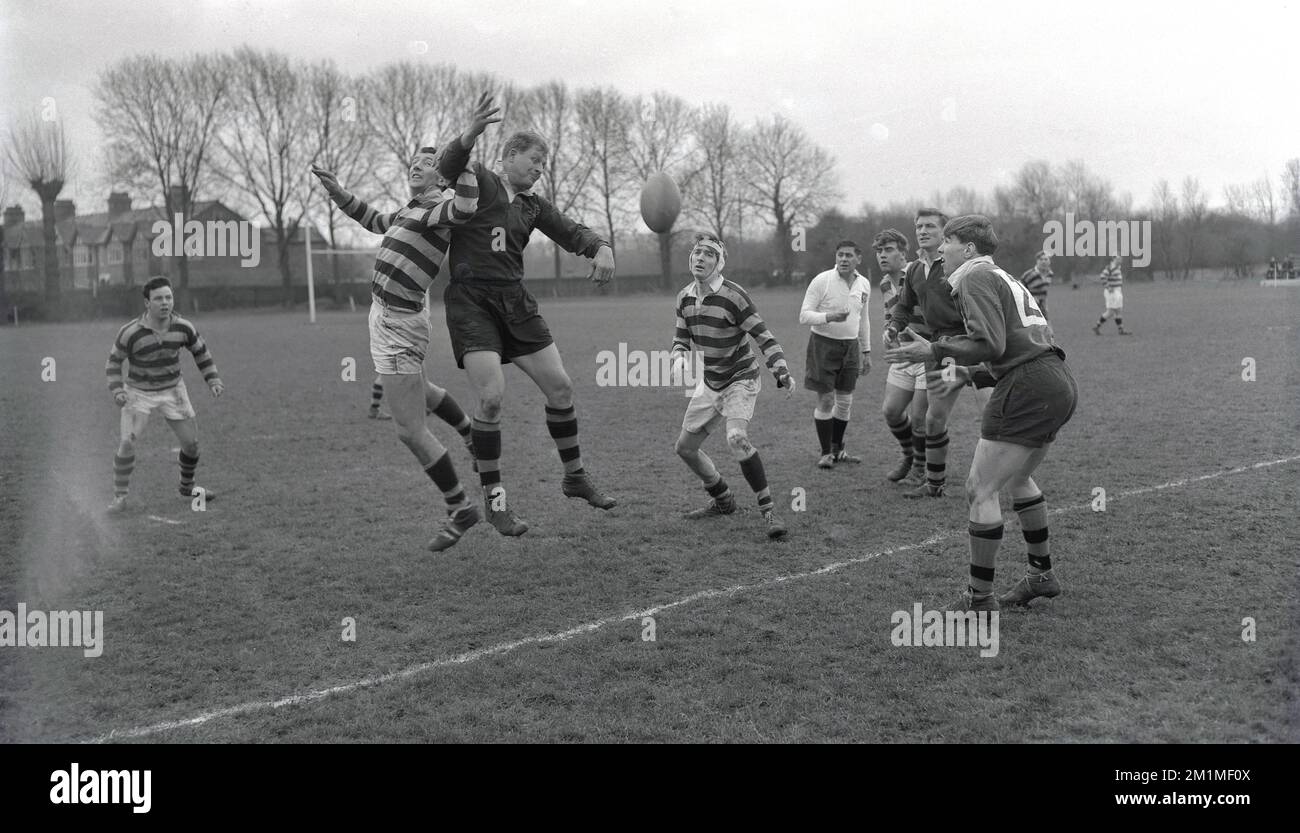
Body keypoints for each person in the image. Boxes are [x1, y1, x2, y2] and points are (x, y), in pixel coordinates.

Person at [310, 95, 499, 552]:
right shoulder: (408, 210)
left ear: (443, 175)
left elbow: (467, 206)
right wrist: (338, 194)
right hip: (385, 318)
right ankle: (472, 436)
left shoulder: (439, 209)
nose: (416, 165)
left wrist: (467, 143)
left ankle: (460, 508)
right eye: (413, 161)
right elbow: (372, 219)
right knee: (423, 389)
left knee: (408, 428)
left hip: (399, 324)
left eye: (427, 163)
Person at [436, 108, 617, 537]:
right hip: (471, 303)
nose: (539, 170)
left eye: (543, 165)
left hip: (516, 303)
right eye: (534, 161)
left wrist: (601, 246)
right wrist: (470, 133)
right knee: (492, 399)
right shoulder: (477, 179)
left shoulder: (533, 207)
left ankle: (574, 477)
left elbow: (571, 231)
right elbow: (448, 166)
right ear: (509, 155)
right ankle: (496, 504)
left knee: (561, 387)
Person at [884, 215, 1077, 611]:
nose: (940, 250)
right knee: (1019, 478)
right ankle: (1041, 575)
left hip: (1026, 385)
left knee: (979, 489)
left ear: (968, 249)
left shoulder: (974, 278)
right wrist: (969, 373)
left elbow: (989, 342)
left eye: (948, 243)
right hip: (1056, 379)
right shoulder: (1004, 277)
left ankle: (979, 598)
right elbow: (1019, 342)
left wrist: (935, 351)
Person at [672, 233, 794, 540]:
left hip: (741, 378)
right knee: (685, 448)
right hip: (711, 382)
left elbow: (764, 336)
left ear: (719, 263)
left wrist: (781, 370)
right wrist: (678, 358)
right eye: (697, 252)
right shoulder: (684, 297)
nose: (700, 258)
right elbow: (680, 338)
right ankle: (723, 499)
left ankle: (769, 512)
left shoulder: (734, 295)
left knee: (737, 437)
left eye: (709, 254)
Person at [105, 277, 223, 513]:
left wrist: (213, 379)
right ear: (147, 303)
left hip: (173, 390)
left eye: (168, 297)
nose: (165, 302)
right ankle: (120, 497)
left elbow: (201, 351)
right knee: (127, 442)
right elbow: (113, 362)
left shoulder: (183, 327)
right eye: (158, 298)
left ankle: (187, 487)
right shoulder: (130, 332)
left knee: (191, 444)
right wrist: (117, 390)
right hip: (138, 393)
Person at [884, 209, 969, 498]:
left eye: (930, 226)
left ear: (945, 233)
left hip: (971, 346)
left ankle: (1011, 470)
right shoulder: (915, 270)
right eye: (918, 226)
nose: (922, 230)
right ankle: (934, 482)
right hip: (938, 350)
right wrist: (894, 327)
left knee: (991, 408)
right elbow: (904, 306)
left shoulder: (959, 267)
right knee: (934, 417)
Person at [799, 240, 871, 469]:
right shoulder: (822, 280)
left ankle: (839, 450)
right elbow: (804, 316)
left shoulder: (864, 284)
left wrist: (866, 350)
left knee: (845, 401)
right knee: (826, 399)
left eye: (849, 255)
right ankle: (825, 453)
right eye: (840, 255)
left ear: (858, 258)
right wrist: (829, 317)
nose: (843, 259)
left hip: (850, 348)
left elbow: (863, 319)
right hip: (823, 345)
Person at [874, 229, 928, 483]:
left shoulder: (918, 274)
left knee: (920, 418)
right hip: (902, 353)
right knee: (892, 411)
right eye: (879, 251)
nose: (882, 255)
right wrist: (888, 332)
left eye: (888, 250)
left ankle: (921, 468)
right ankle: (909, 456)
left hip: (927, 352)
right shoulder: (885, 282)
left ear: (903, 253)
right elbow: (891, 314)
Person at [1093, 255, 1131, 335]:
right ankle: (1097, 326)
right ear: (1114, 259)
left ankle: (1120, 330)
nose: (1121, 260)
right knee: (1111, 311)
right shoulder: (1110, 267)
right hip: (1112, 292)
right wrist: (1108, 287)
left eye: (1121, 259)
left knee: (1118, 311)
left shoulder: (1118, 267)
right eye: (1119, 259)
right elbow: (1102, 276)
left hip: (1117, 291)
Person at [1019, 251, 1053, 320]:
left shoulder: (1050, 274)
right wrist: (1031, 298)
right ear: (1037, 261)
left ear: (1049, 261)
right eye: (1041, 259)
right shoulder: (1029, 274)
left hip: (1042, 309)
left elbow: (1044, 291)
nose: (1043, 262)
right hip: (1029, 309)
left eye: (1046, 259)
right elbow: (1017, 290)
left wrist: (1045, 306)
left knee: (1047, 329)